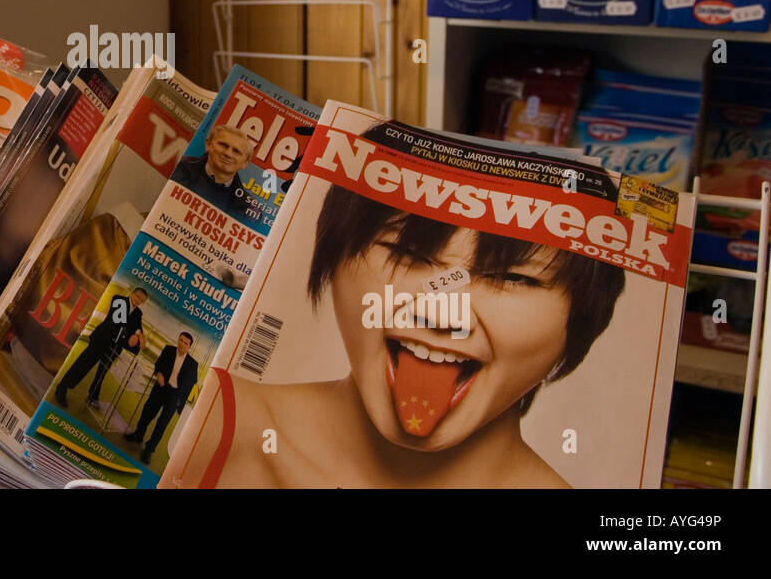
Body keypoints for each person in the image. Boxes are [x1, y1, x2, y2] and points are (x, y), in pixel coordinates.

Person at [164, 178, 625, 488]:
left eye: (515, 278)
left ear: (581, 317)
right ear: (334, 258)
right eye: (408, 253)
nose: (444, 315)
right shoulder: (207, 422)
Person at [54, 288, 146, 409]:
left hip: (115, 346)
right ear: (132, 294)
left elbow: (138, 327)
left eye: (142, 300)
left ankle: (93, 396)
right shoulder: (119, 299)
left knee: (102, 373)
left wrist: (138, 334)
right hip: (101, 339)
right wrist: (134, 332)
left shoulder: (138, 313)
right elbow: (120, 321)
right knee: (82, 365)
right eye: (138, 297)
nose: (138, 301)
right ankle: (61, 389)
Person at [124, 331, 199, 465]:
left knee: (162, 424)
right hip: (160, 388)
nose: (182, 344)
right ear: (178, 340)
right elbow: (158, 364)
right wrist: (159, 373)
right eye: (180, 340)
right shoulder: (168, 350)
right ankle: (138, 435)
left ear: (189, 347)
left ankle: (149, 449)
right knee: (147, 412)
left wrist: (179, 400)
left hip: (174, 395)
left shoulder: (193, 364)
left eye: (185, 343)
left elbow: (192, 383)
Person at [170, 125, 256, 216]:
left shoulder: (249, 207)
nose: (228, 153)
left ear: (245, 163)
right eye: (223, 145)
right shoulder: (178, 165)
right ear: (208, 145)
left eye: (236, 151)